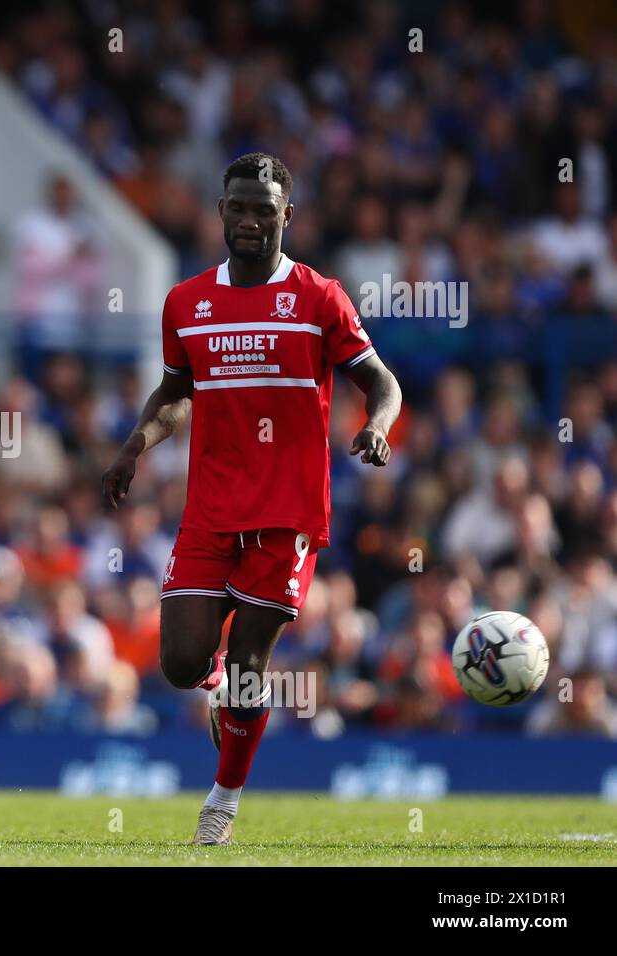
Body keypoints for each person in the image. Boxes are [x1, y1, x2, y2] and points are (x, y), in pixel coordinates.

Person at [101, 154, 402, 845]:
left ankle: (222, 801)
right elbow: (176, 394)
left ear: (286, 217)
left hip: (287, 510)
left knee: (249, 663)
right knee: (181, 663)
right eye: (238, 207)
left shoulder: (320, 297)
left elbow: (382, 383)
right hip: (210, 506)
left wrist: (378, 426)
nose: (248, 221)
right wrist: (134, 446)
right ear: (221, 211)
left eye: (263, 210)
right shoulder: (187, 302)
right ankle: (217, 703)